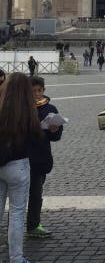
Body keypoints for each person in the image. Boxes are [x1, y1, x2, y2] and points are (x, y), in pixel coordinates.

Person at [0, 73, 42, 263]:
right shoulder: (27, 110)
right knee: (16, 214)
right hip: (17, 166)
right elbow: (34, 140)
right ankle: (16, 262)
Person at [26, 77, 63, 238]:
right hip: (22, 157)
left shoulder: (50, 108)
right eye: (33, 91)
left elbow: (55, 137)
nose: (37, 94)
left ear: (44, 90)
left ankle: (33, 225)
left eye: (39, 90)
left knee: (36, 194)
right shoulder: (21, 108)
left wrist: (54, 130)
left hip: (40, 158)